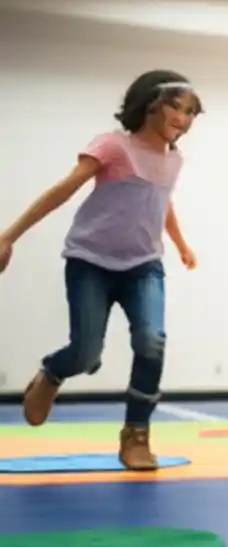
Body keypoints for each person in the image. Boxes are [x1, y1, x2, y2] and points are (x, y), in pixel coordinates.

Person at [0, 70, 201, 470]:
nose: (183, 117)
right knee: (86, 352)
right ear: (149, 103)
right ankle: (54, 372)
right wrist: (9, 236)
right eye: (175, 106)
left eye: (192, 111)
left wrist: (179, 243)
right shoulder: (113, 146)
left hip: (143, 265)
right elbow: (63, 189)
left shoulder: (173, 160)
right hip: (90, 262)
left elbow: (162, 203)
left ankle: (136, 434)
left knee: (152, 340)